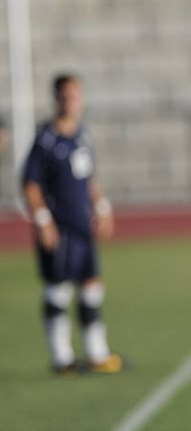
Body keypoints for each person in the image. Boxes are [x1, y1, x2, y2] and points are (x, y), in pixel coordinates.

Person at [22, 73, 122, 374]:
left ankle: (96, 352)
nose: (70, 101)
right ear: (56, 98)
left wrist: (102, 207)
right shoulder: (46, 139)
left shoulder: (82, 135)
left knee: (91, 286)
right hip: (60, 225)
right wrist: (42, 220)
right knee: (59, 288)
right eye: (65, 96)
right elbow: (30, 183)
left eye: (75, 95)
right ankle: (62, 358)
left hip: (82, 224)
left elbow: (87, 177)